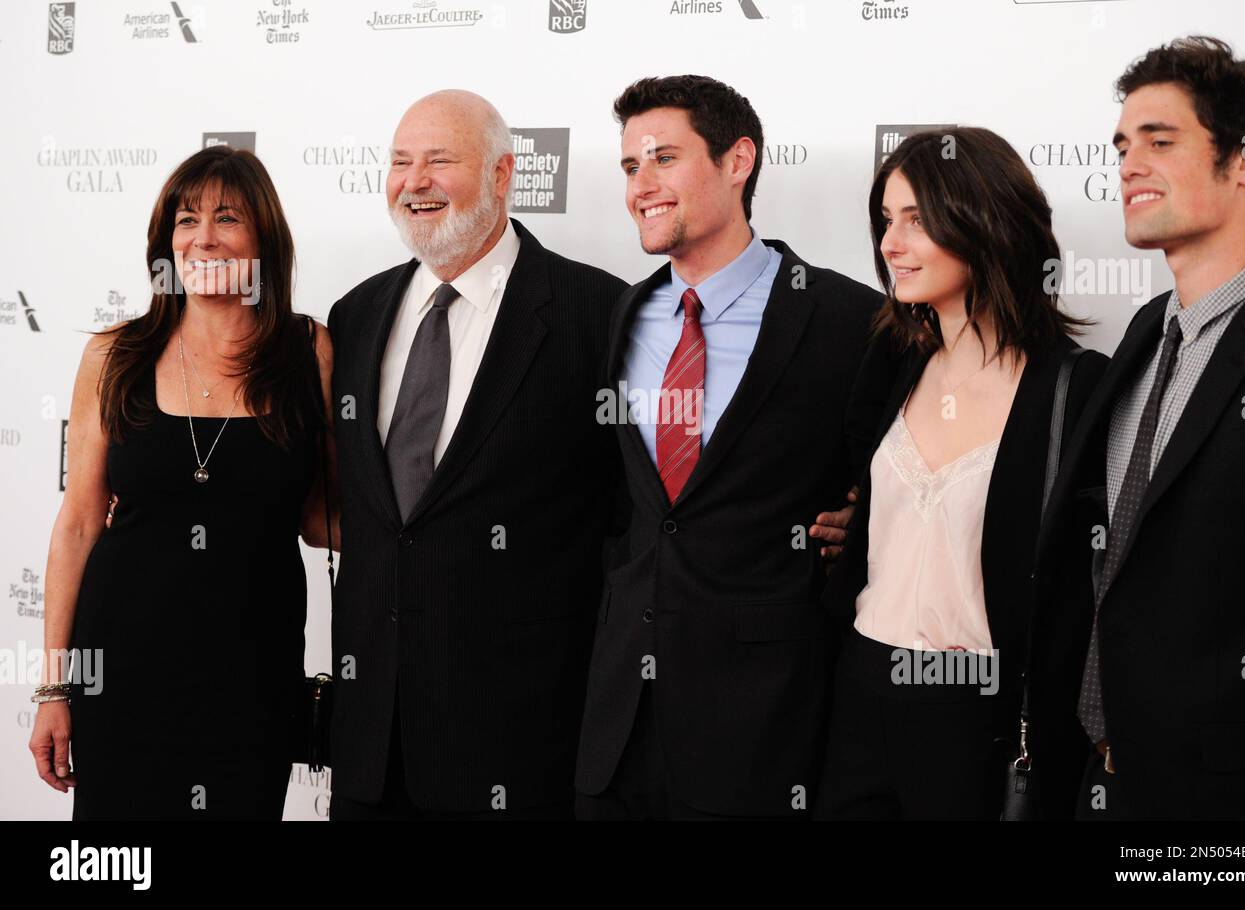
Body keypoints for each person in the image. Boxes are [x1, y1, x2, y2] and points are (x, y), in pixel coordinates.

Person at [574, 75, 884, 820]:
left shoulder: (848, 319)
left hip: (766, 732)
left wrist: (857, 518)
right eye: (628, 167)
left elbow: (900, 486)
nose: (640, 186)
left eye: (662, 159)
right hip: (619, 728)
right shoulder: (626, 313)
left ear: (738, 160)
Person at [325, 90, 627, 820]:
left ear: (501, 175)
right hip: (372, 747)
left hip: (522, 745)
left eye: (439, 160)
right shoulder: (355, 315)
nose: (414, 180)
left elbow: (638, 518)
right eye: (399, 162)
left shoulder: (601, 314)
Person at [29, 145, 336, 819]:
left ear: (263, 236)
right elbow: (79, 525)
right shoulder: (115, 355)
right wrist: (54, 690)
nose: (202, 238)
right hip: (124, 668)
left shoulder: (307, 350)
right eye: (185, 219)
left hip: (253, 677)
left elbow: (320, 518)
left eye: (226, 218)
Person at [1038, 36, 1245, 820]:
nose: (1127, 164)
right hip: (1091, 780)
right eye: (1122, 145)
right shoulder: (1147, 333)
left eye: (1160, 140)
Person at [814, 128, 1108, 820]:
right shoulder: (891, 359)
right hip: (859, 691)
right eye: (887, 221)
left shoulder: (1073, 387)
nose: (890, 244)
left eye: (916, 220)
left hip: (978, 713)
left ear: (984, 220)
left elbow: (1085, 583)